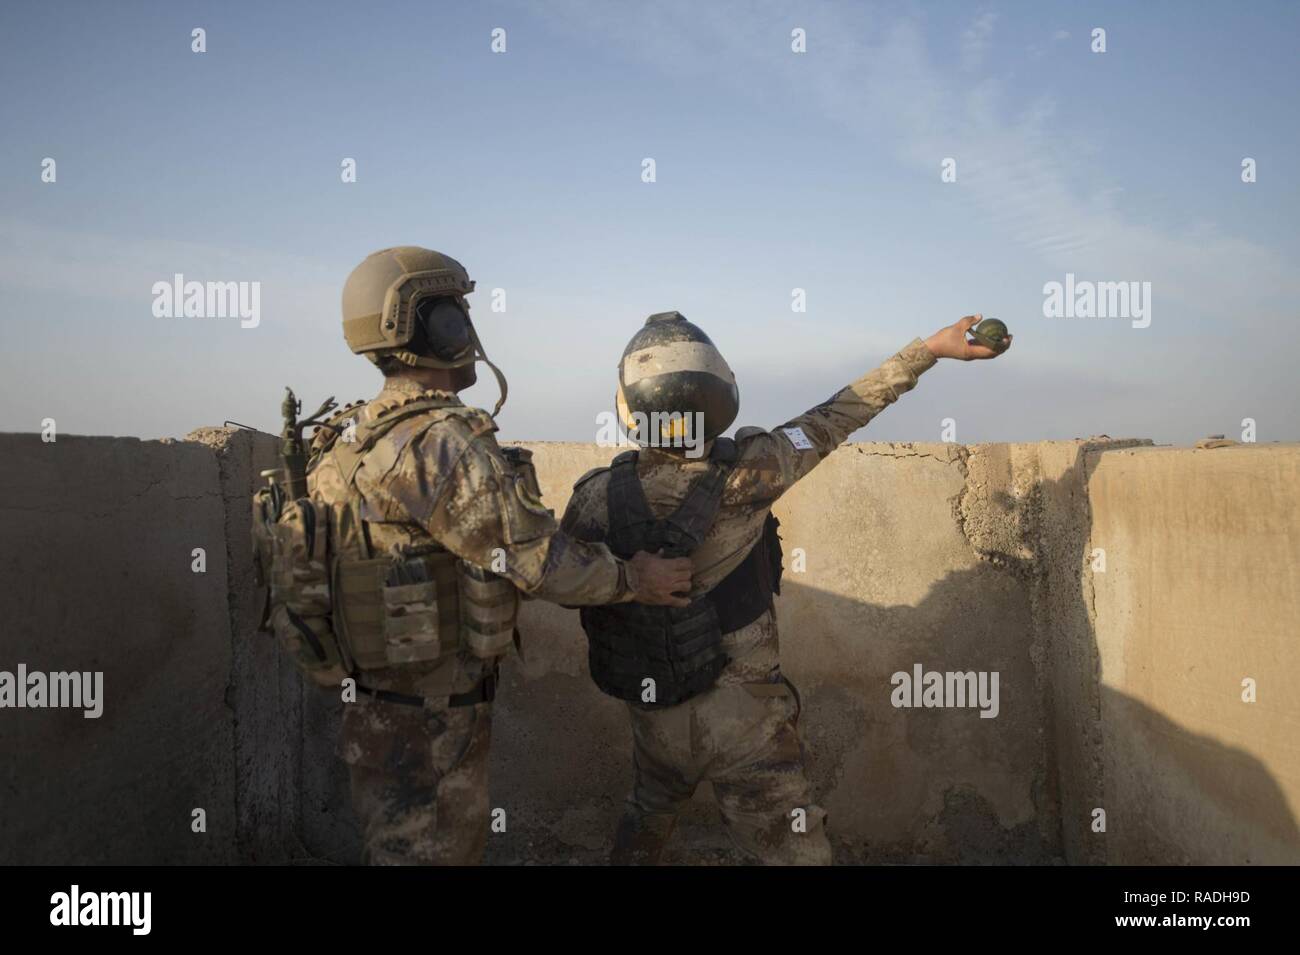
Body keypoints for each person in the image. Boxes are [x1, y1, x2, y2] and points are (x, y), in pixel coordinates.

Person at [560, 311, 1010, 864]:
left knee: (649, 812)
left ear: (631, 408)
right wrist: (932, 351)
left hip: (656, 717)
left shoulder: (596, 496)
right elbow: (840, 414)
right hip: (747, 727)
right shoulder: (757, 468)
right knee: (796, 852)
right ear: (720, 397)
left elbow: (560, 579)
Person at [303, 247, 692, 865]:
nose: (469, 325)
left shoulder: (346, 438)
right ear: (431, 325)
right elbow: (535, 560)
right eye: (456, 310)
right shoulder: (443, 444)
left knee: (395, 848)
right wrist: (633, 578)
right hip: (434, 713)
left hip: (375, 701)